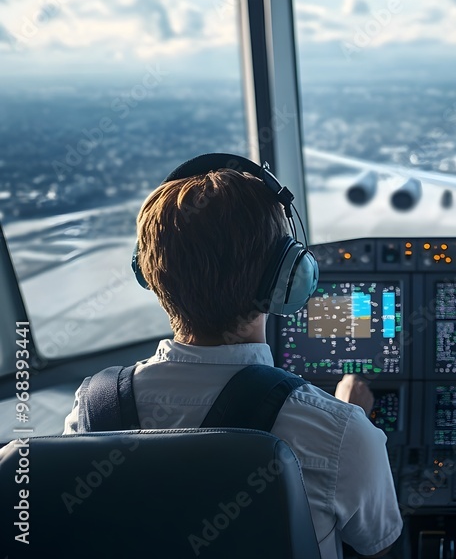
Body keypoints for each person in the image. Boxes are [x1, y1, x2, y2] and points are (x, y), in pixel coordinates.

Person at [63, 155, 401, 559]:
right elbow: (378, 547)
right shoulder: (340, 431)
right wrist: (350, 418)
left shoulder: (94, 411)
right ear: (285, 278)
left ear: (148, 273)